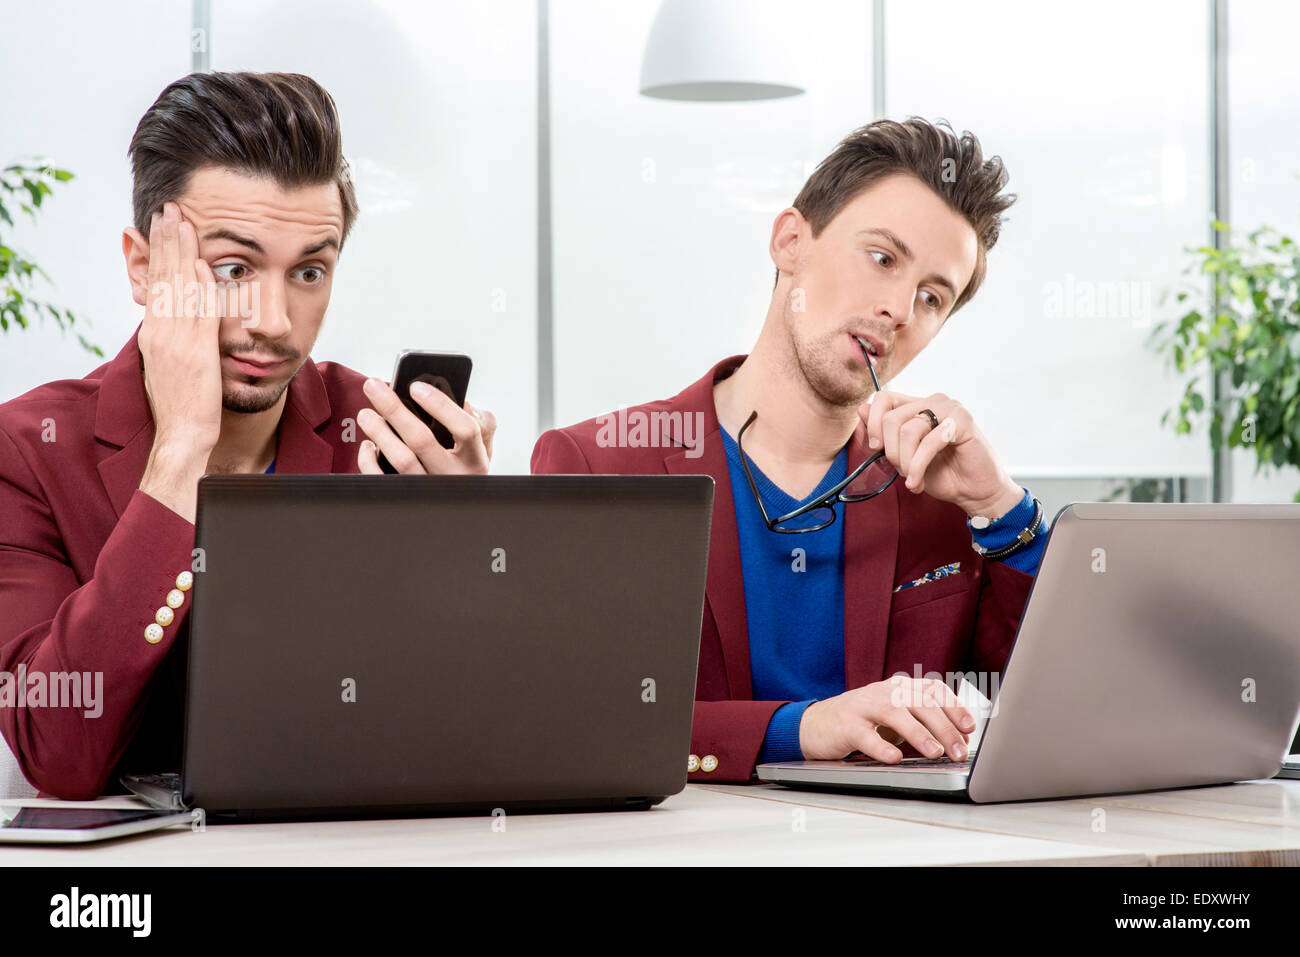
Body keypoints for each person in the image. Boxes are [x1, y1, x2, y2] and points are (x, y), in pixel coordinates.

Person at [0, 72, 495, 800]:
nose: (274, 319)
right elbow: (61, 754)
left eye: (310, 270)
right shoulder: (28, 450)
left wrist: (478, 562)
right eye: (233, 268)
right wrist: (179, 454)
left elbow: (469, 737)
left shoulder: (383, 434)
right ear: (144, 267)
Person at [532, 118, 1045, 784]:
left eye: (931, 297)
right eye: (883, 258)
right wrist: (800, 727)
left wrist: (1000, 507)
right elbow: (565, 719)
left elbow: (1064, 709)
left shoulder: (937, 494)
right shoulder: (596, 465)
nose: (897, 308)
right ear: (791, 242)